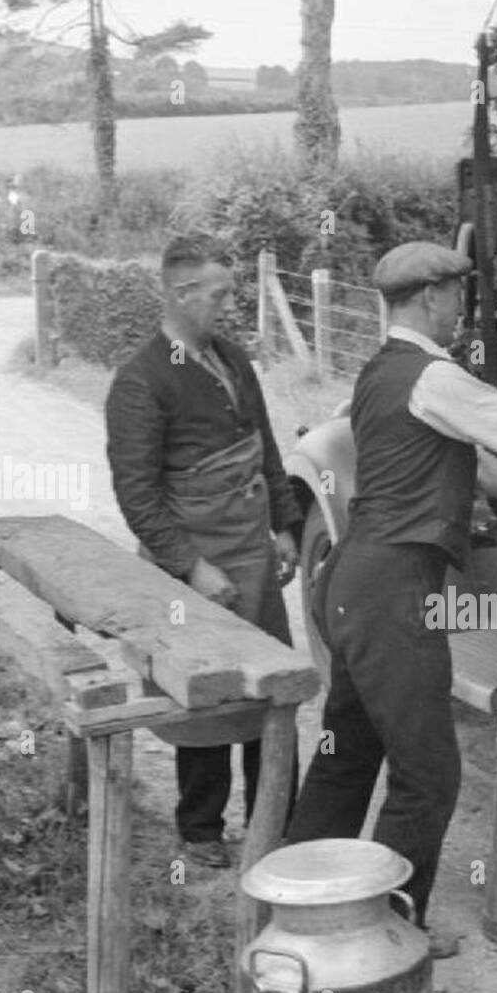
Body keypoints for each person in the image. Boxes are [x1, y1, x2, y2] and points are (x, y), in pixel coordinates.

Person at [284, 239, 497, 957]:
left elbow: (481, 464)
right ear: (431, 298)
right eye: (459, 295)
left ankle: (300, 908)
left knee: (346, 756)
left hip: (351, 586)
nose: (465, 309)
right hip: (393, 593)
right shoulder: (434, 376)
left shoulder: (379, 373)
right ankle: (392, 929)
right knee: (429, 774)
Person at [105, 234, 304, 870]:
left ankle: (277, 826)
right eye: (217, 293)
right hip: (193, 562)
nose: (227, 303)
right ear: (181, 293)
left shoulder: (232, 359)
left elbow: (264, 447)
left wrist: (287, 524)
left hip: (250, 546)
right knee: (207, 693)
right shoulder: (141, 381)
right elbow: (135, 492)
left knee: (270, 689)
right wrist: (189, 566)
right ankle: (199, 829)